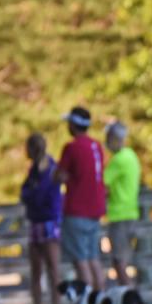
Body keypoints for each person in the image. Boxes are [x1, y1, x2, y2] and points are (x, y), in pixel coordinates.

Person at [54, 106, 107, 291]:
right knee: (93, 258)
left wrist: (64, 176)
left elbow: (59, 176)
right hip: (95, 211)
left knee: (80, 261)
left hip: (77, 210)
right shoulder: (96, 146)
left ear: (73, 125)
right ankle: (100, 300)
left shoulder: (71, 147)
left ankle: (87, 301)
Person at [20, 132, 62, 304]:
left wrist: (32, 193)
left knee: (53, 268)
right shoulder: (33, 170)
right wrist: (32, 192)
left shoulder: (51, 169)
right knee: (36, 269)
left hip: (49, 223)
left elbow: (39, 195)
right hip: (35, 223)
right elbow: (25, 192)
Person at [103, 121, 142, 286]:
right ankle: (129, 293)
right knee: (124, 260)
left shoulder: (118, 160)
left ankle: (129, 294)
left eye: (108, 138)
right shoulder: (131, 155)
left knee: (119, 262)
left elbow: (102, 184)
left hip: (119, 215)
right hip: (131, 213)